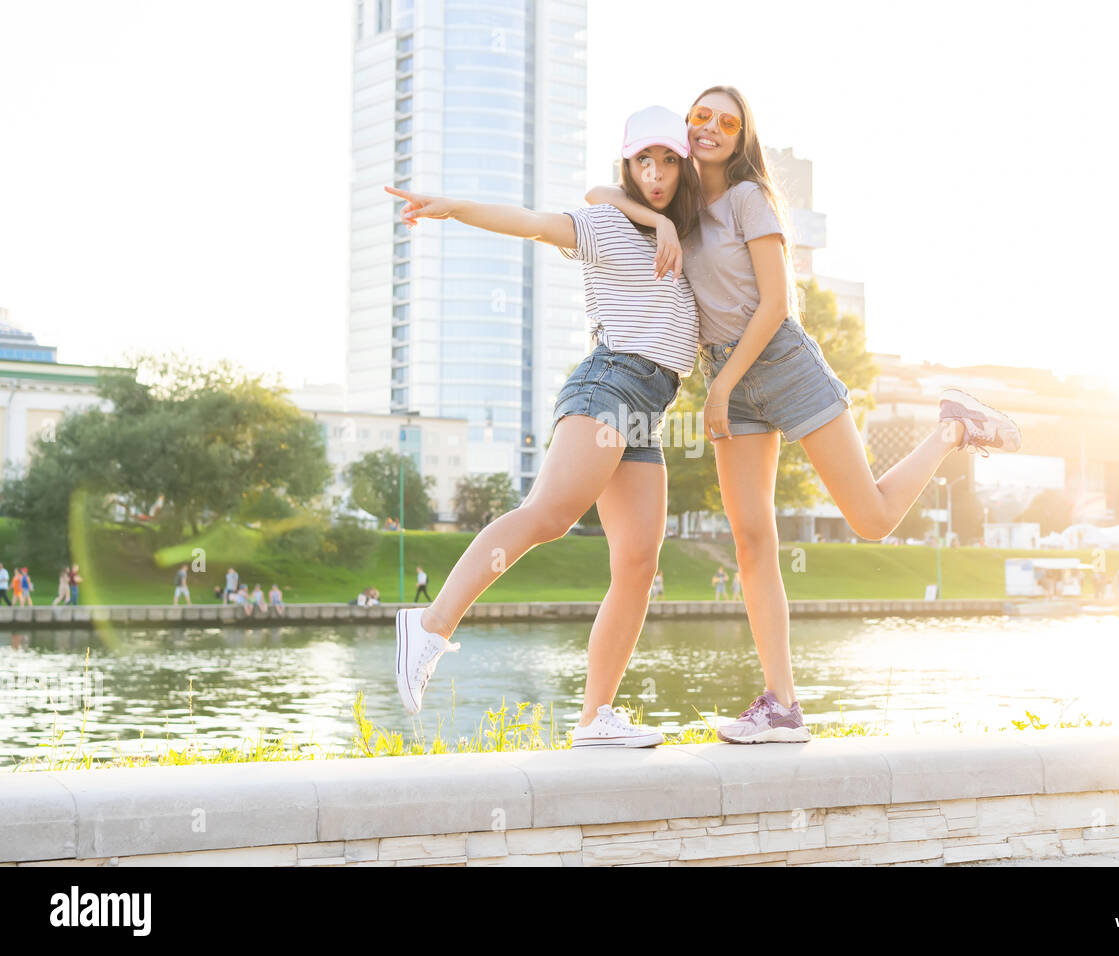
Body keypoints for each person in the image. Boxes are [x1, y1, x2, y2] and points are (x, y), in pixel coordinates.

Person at [587, 85, 1023, 744]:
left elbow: (776, 306)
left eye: (726, 123)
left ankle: (952, 426)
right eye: (700, 117)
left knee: (871, 518)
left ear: (741, 138)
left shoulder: (749, 199)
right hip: (729, 377)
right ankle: (782, 706)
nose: (711, 128)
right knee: (752, 541)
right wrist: (664, 223)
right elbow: (597, 198)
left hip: (780, 364)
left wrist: (721, 387)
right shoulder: (675, 205)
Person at [387, 105, 703, 749]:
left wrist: (663, 221)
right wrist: (452, 207)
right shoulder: (605, 223)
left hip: (650, 405)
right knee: (550, 515)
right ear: (628, 166)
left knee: (639, 561)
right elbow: (532, 222)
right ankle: (430, 626)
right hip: (610, 383)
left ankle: (595, 719)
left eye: (668, 160)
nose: (656, 173)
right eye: (644, 160)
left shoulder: (685, 235)